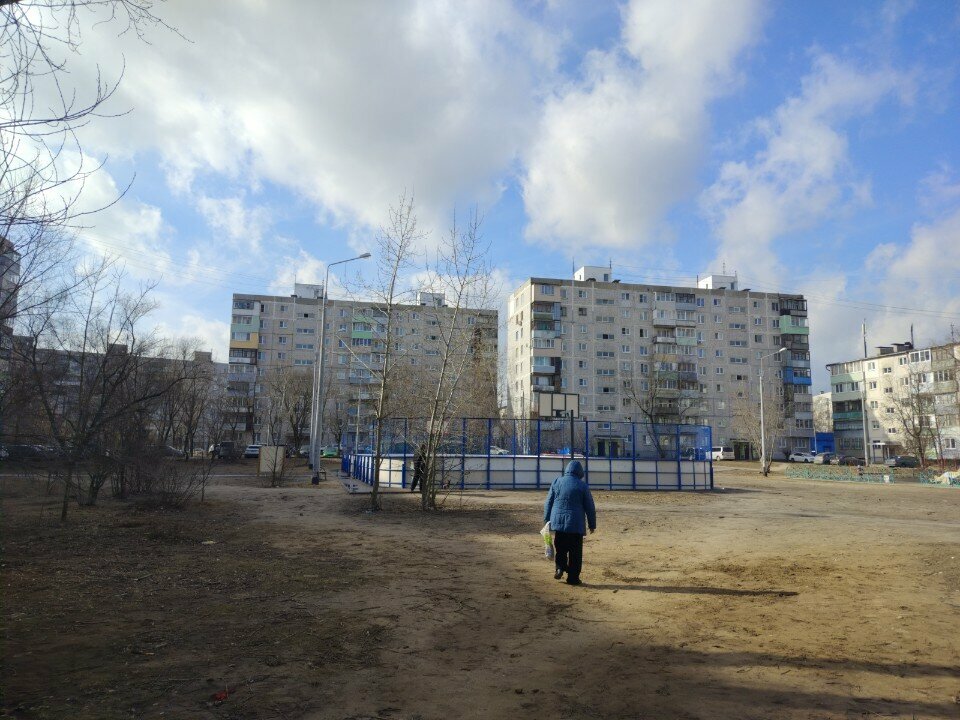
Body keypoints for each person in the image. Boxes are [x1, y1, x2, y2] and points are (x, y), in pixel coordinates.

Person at [543, 460, 596, 586]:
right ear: (580, 472)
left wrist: (546, 520)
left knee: (560, 549)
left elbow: (548, 502)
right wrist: (592, 525)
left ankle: (559, 568)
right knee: (575, 554)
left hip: (559, 524)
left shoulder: (556, 482)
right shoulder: (582, 486)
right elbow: (590, 507)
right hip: (575, 525)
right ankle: (573, 578)